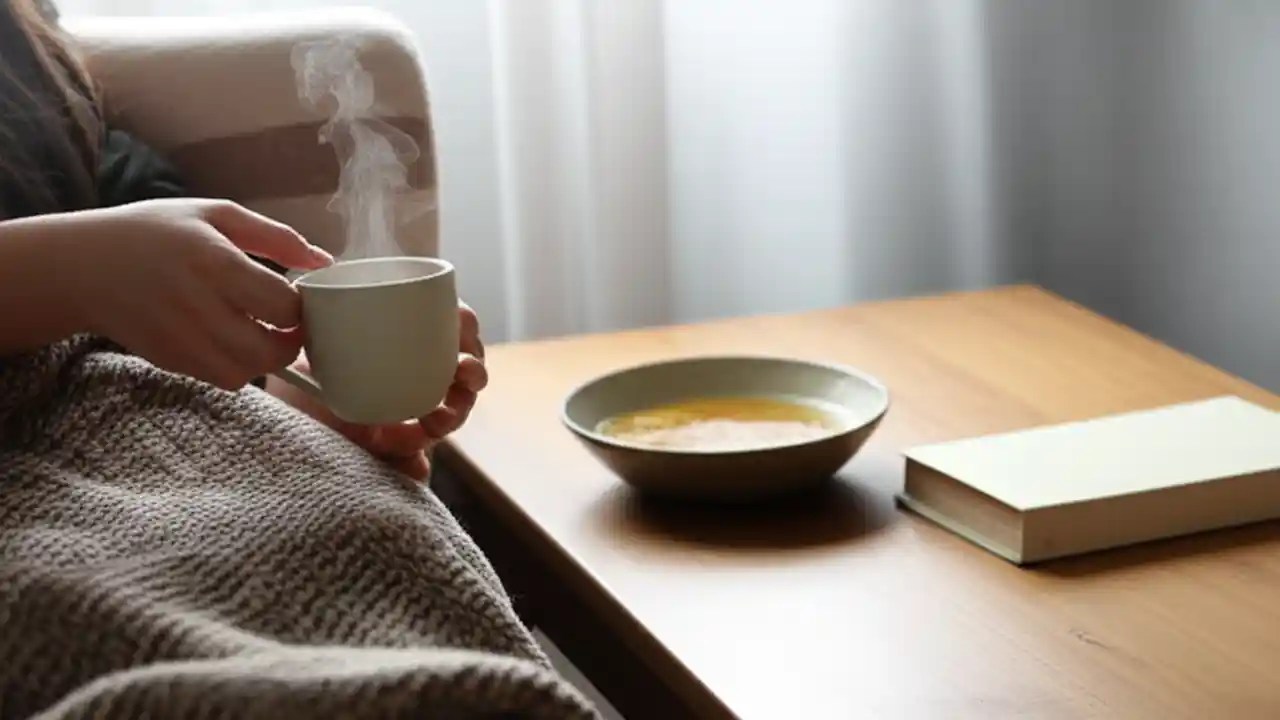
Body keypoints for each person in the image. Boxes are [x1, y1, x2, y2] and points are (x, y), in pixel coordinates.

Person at [0, 1, 596, 717]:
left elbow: (190, 322)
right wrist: (59, 270)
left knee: (393, 546)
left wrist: (331, 409)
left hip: (172, 445)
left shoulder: (31, 60)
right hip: (52, 500)